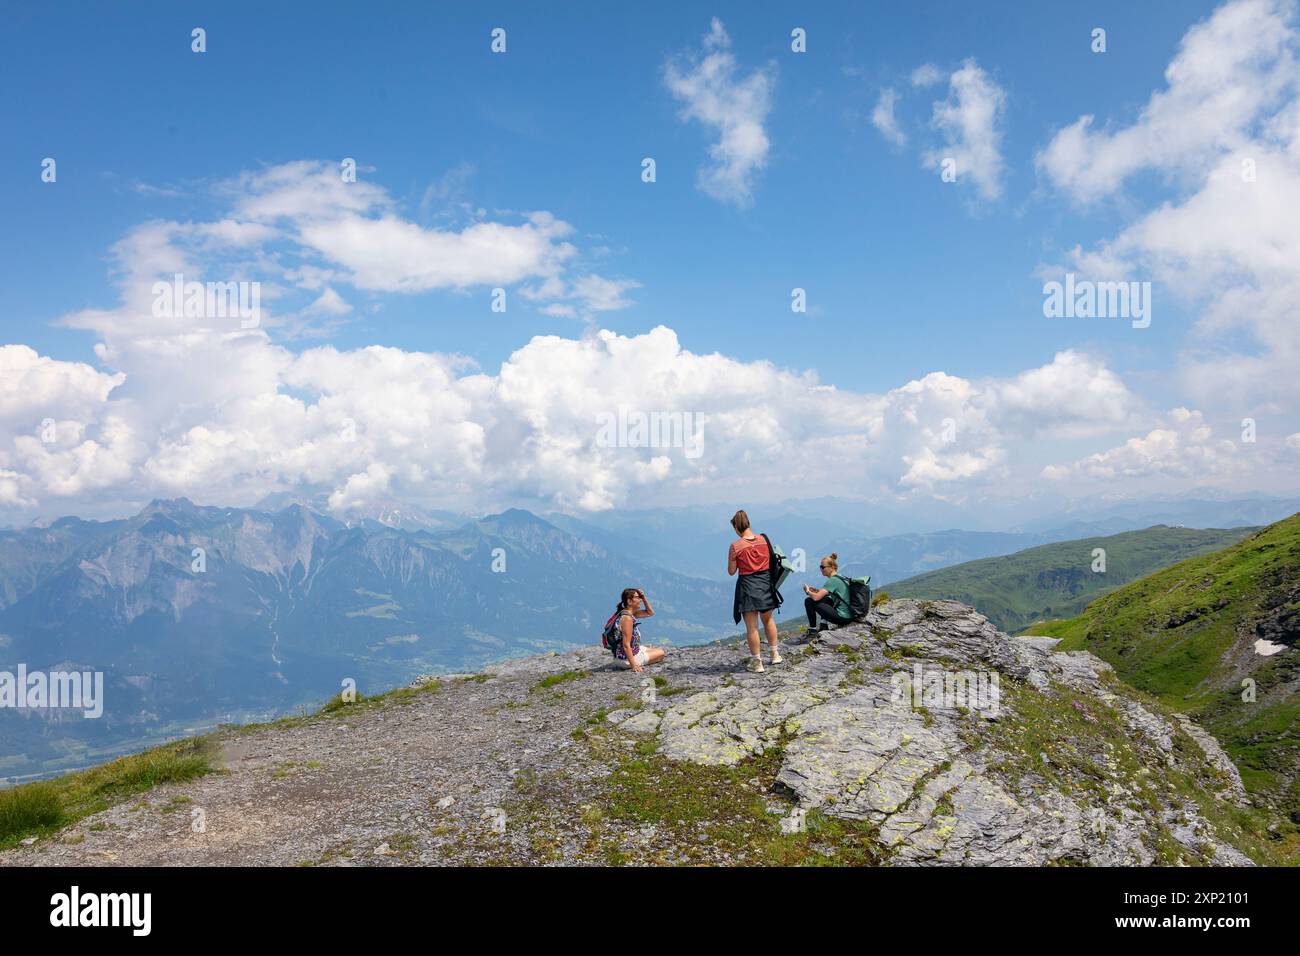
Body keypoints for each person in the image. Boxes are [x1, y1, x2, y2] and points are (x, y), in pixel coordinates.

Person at [727, 509, 782, 672]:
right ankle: (775, 654)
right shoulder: (764, 540)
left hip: (748, 586)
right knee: (769, 620)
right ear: (748, 523)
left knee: (752, 627)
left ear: (736, 527)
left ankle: (757, 662)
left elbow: (731, 571)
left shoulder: (735, 546)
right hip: (765, 583)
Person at [611, 588, 665, 673]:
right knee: (661, 653)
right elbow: (626, 644)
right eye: (637, 597)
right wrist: (634, 666)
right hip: (625, 660)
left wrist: (644, 597)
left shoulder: (629, 613)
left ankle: (638, 656)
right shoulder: (627, 618)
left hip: (630, 652)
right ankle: (634, 661)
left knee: (653, 649)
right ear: (629, 601)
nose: (640, 600)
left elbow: (650, 612)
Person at [803, 553, 854, 637]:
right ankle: (823, 625)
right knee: (827, 599)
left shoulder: (832, 581)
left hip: (842, 618)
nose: (821, 569)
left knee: (809, 601)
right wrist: (817, 591)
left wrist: (808, 591)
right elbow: (834, 595)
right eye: (820, 567)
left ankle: (812, 630)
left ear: (832, 567)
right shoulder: (839, 577)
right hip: (848, 616)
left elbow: (815, 598)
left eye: (823, 567)